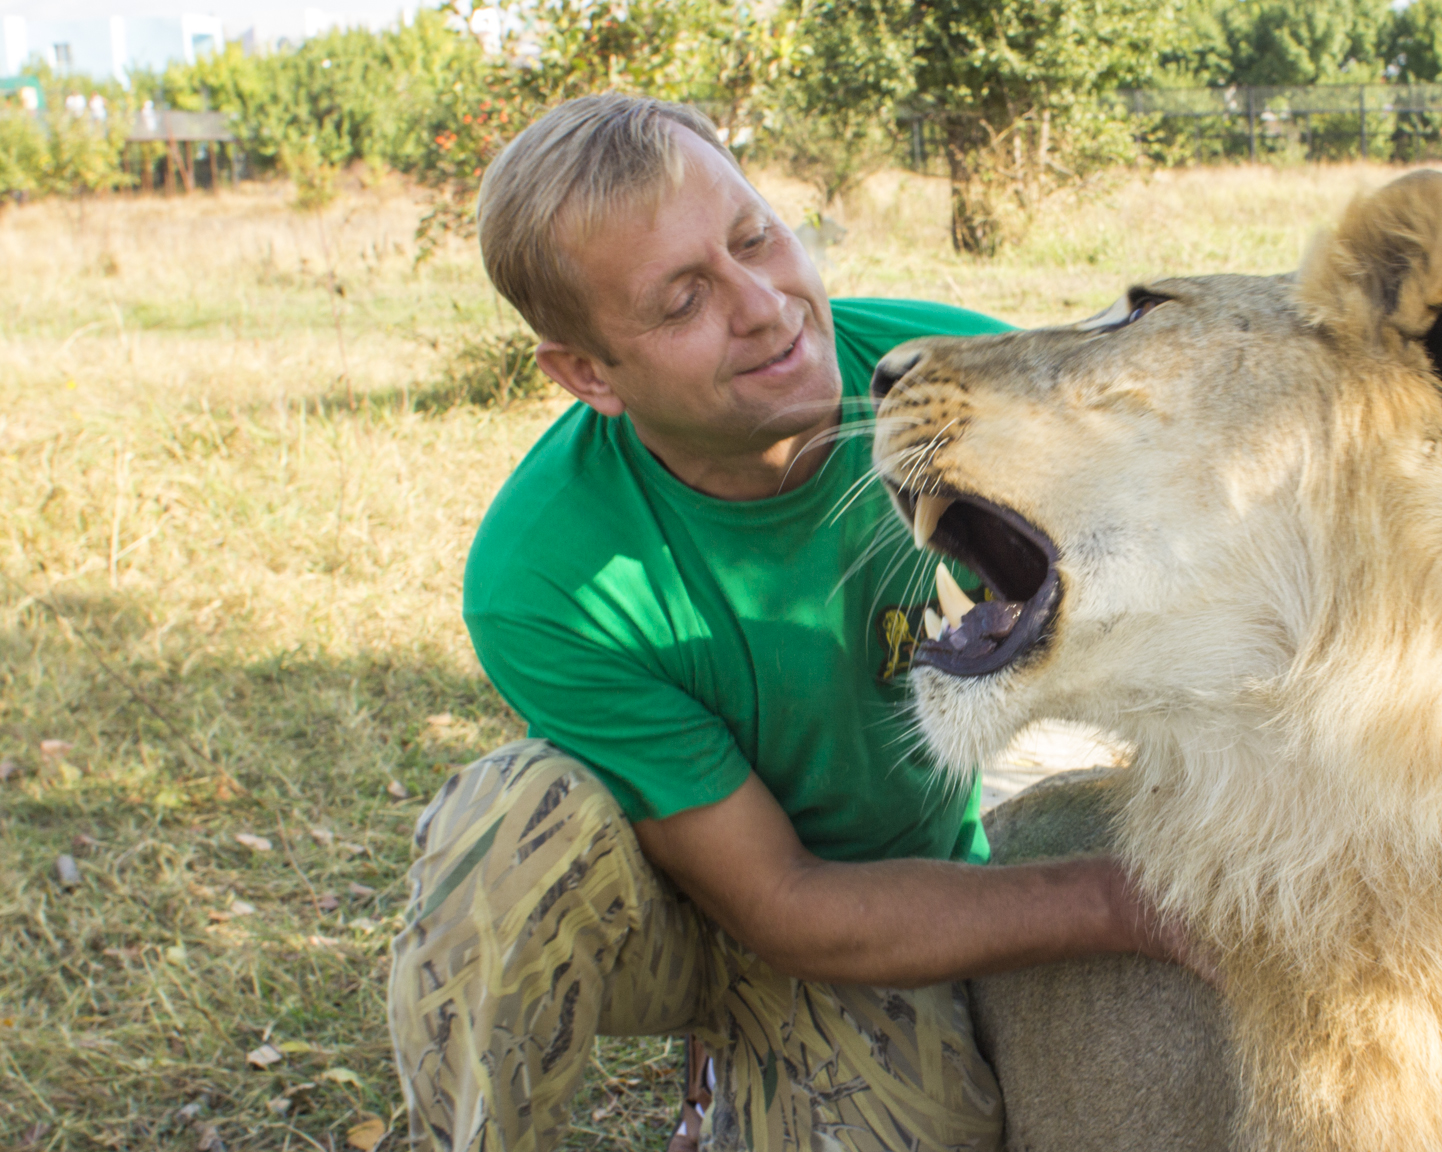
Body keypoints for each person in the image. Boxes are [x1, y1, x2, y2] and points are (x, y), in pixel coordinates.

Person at [386, 94, 1199, 1152]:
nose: (767, 308)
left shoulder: (944, 381)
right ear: (587, 373)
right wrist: (1131, 904)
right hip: (691, 904)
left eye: (753, 238)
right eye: (682, 302)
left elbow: (1186, 551)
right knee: (507, 833)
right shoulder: (545, 574)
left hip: (896, 890)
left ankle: (745, 1083)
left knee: (926, 1134)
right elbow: (776, 901)